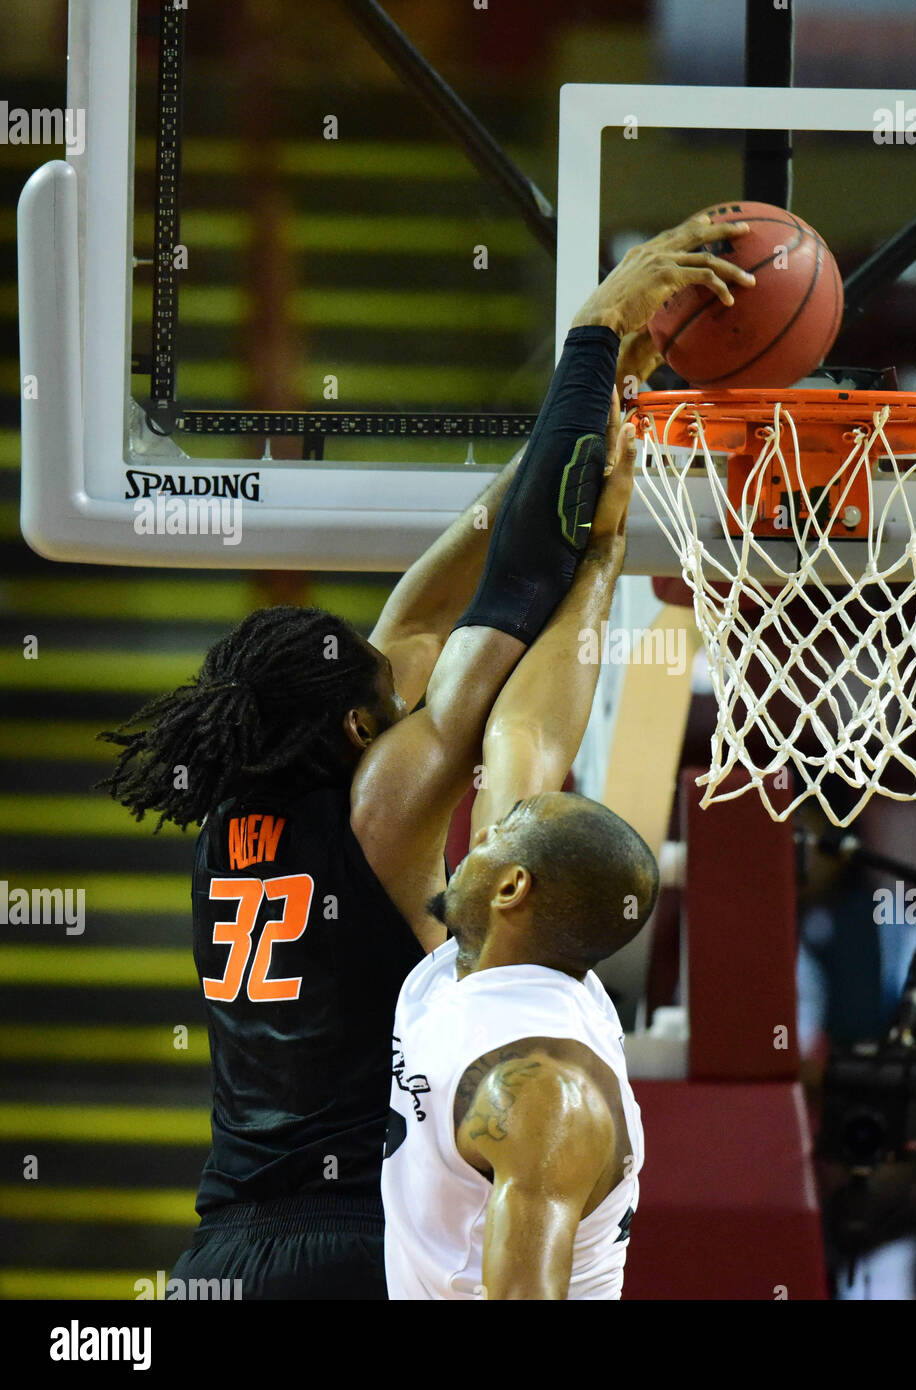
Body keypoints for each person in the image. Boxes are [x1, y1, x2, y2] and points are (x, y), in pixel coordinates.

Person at [98, 212, 755, 1298]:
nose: (398, 670)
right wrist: (592, 335)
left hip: (217, 1254)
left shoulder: (234, 809)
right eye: (386, 694)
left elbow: (434, 591)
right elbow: (499, 603)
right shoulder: (383, 807)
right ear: (363, 731)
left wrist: (582, 414)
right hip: (354, 1245)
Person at [381, 417, 660, 1299]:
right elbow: (530, 733)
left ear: (512, 887)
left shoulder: (544, 1088)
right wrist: (605, 548)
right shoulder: (493, 979)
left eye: (492, 835)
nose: (473, 830)